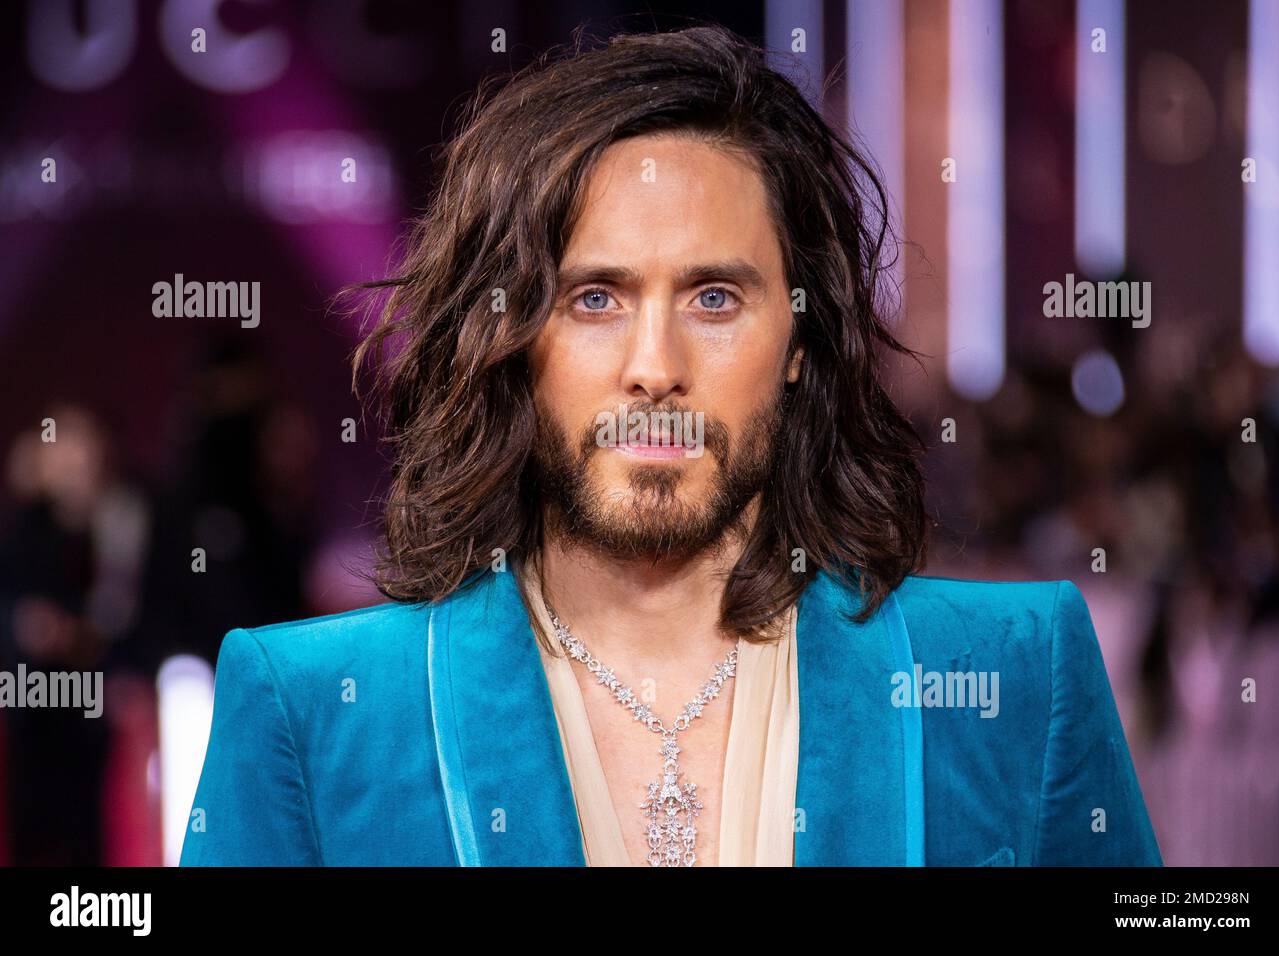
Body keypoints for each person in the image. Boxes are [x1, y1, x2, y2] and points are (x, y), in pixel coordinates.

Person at [180, 25, 1161, 867]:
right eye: (594, 298)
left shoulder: (1016, 675)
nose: (655, 364)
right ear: (512, 336)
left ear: (799, 338)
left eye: (714, 297)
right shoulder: (309, 711)